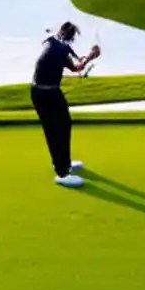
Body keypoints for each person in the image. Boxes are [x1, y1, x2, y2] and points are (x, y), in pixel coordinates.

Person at [32, 21, 100, 188]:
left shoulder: (53, 42)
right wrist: (90, 56)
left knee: (64, 124)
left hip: (50, 91)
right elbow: (78, 68)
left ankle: (65, 163)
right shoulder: (61, 49)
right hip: (44, 93)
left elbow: (74, 66)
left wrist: (85, 58)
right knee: (54, 129)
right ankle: (61, 173)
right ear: (70, 37)